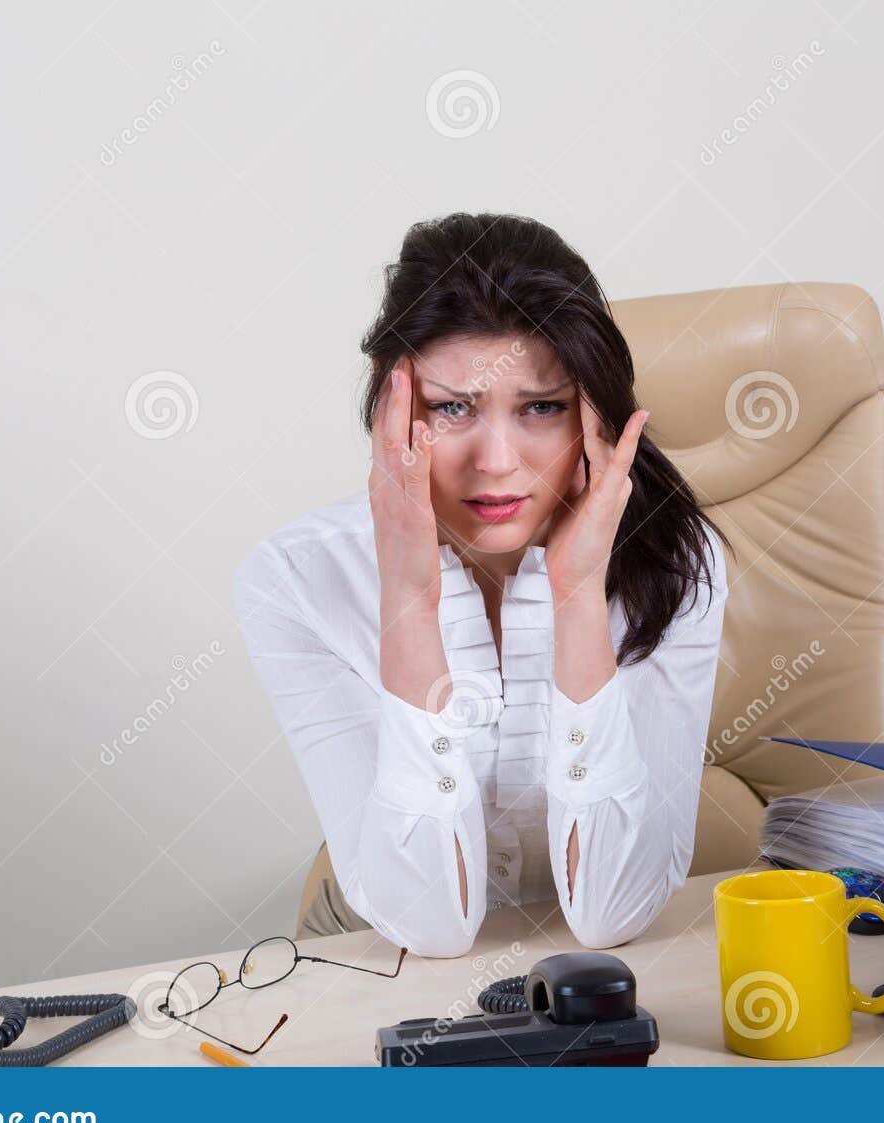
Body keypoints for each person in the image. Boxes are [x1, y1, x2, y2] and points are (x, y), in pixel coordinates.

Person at [233, 212, 731, 957]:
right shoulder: (297, 580)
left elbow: (612, 912)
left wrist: (578, 598)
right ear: (392, 405)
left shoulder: (677, 561)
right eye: (453, 407)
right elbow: (429, 925)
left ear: (594, 409)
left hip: (592, 964)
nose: (496, 461)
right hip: (378, 953)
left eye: (541, 407)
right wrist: (407, 600)